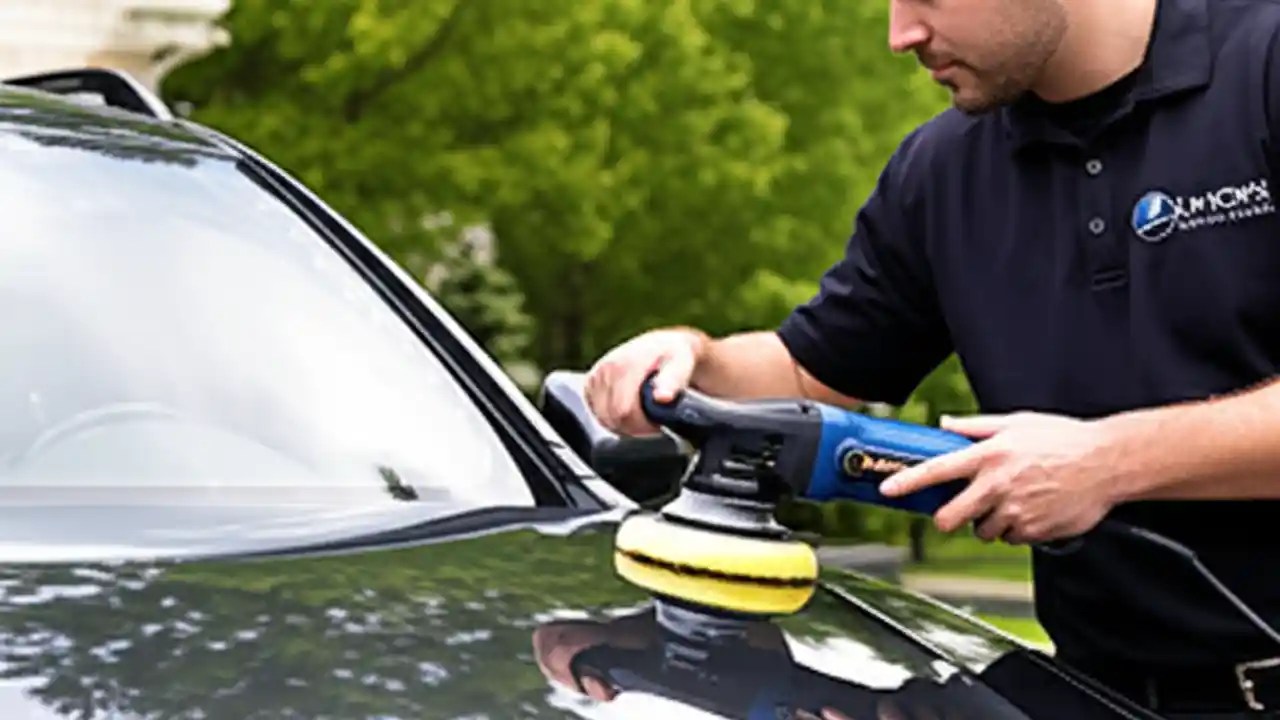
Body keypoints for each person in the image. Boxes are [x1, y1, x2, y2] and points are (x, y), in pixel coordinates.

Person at [583, 0, 1280, 716]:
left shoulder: (1264, 61)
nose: (900, 35)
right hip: (1087, 694)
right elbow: (803, 373)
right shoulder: (942, 170)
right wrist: (694, 360)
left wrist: (1107, 463)